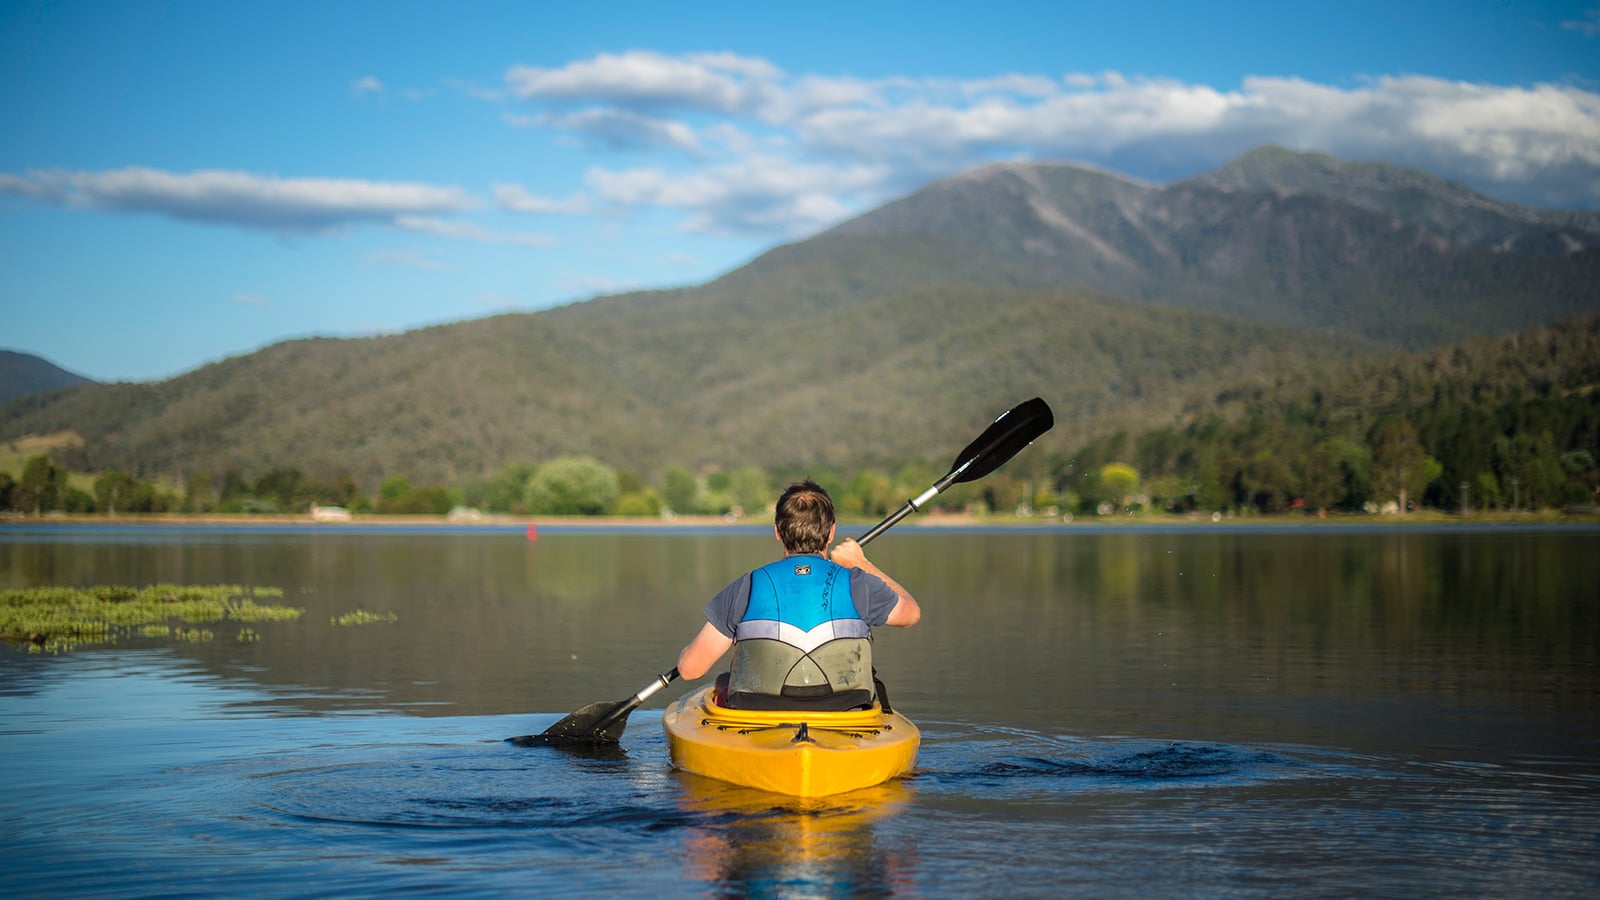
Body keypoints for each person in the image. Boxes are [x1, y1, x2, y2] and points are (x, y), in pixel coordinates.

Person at [676, 480, 920, 710]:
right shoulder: (858, 583)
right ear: (831, 532)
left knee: (723, 681)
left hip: (759, 714)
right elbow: (911, 614)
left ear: (778, 532)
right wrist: (861, 563)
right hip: (845, 711)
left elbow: (689, 670)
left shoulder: (746, 586)